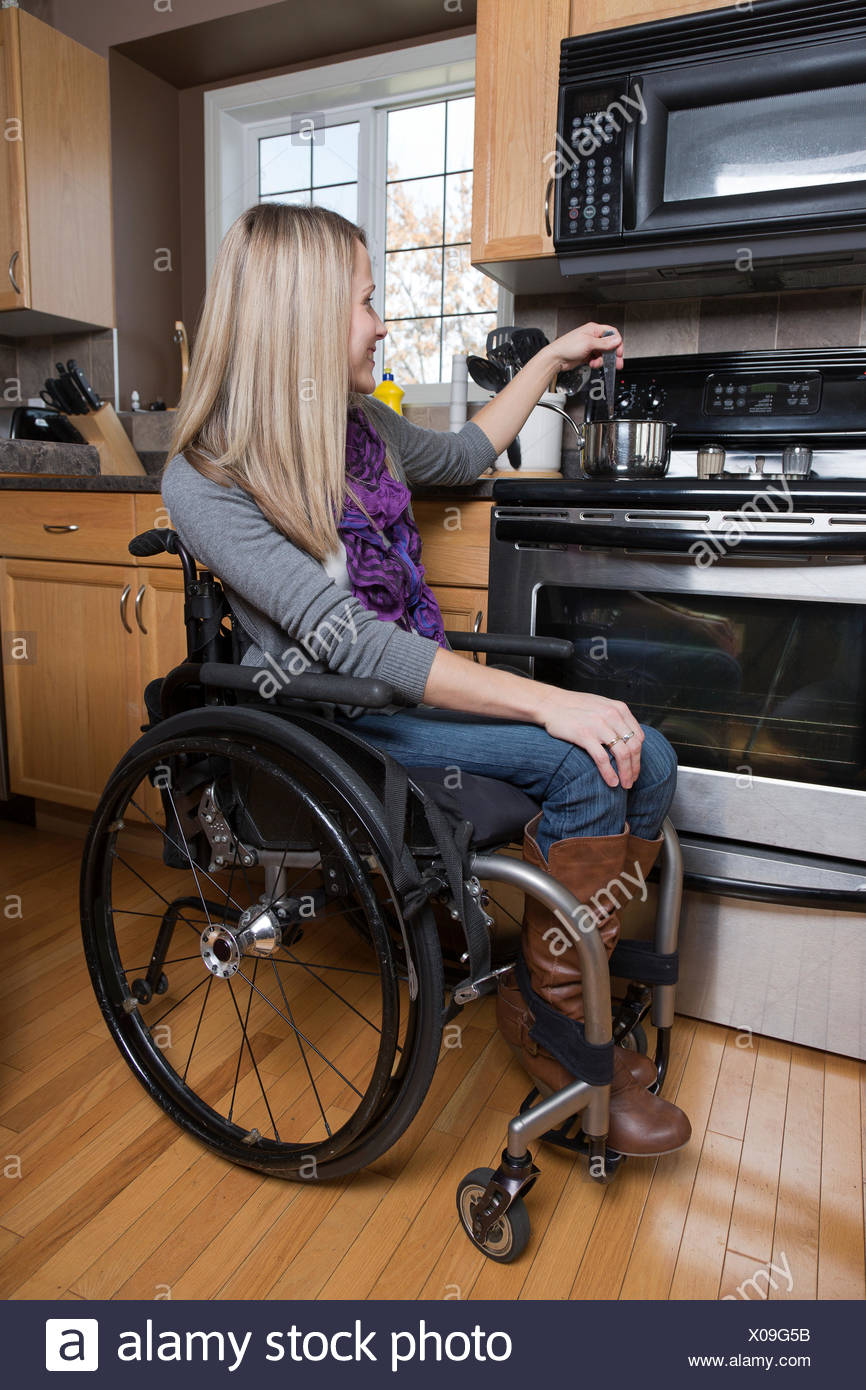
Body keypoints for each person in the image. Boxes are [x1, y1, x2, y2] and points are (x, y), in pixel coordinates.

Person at [161, 202, 690, 1158]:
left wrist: (550, 360)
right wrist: (545, 702)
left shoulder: (363, 427)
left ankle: (567, 990)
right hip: (340, 725)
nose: (382, 322)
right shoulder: (207, 480)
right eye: (366, 302)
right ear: (304, 316)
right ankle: (562, 1040)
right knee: (591, 760)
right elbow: (349, 644)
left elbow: (468, 452)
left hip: (407, 698)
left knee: (644, 758)